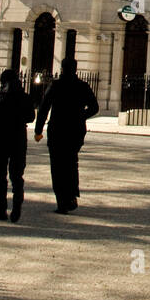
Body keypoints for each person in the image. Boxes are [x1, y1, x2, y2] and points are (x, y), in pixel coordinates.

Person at [34, 58, 99, 213]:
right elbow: (94, 107)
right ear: (75, 69)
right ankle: (71, 196)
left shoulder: (56, 85)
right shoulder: (82, 86)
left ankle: (62, 201)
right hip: (75, 131)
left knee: (57, 167)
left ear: (62, 69)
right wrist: (80, 116)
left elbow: (43, 108)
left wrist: (38, 130)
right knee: (71, 164)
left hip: (57, 129)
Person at [0, 68, 34, 223]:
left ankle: (1, 209)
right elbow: (31, 117)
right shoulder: (24, 97)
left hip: (1, 138)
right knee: (17, 176)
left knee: (0, 175)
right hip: (19, 137)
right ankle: (16, 208)